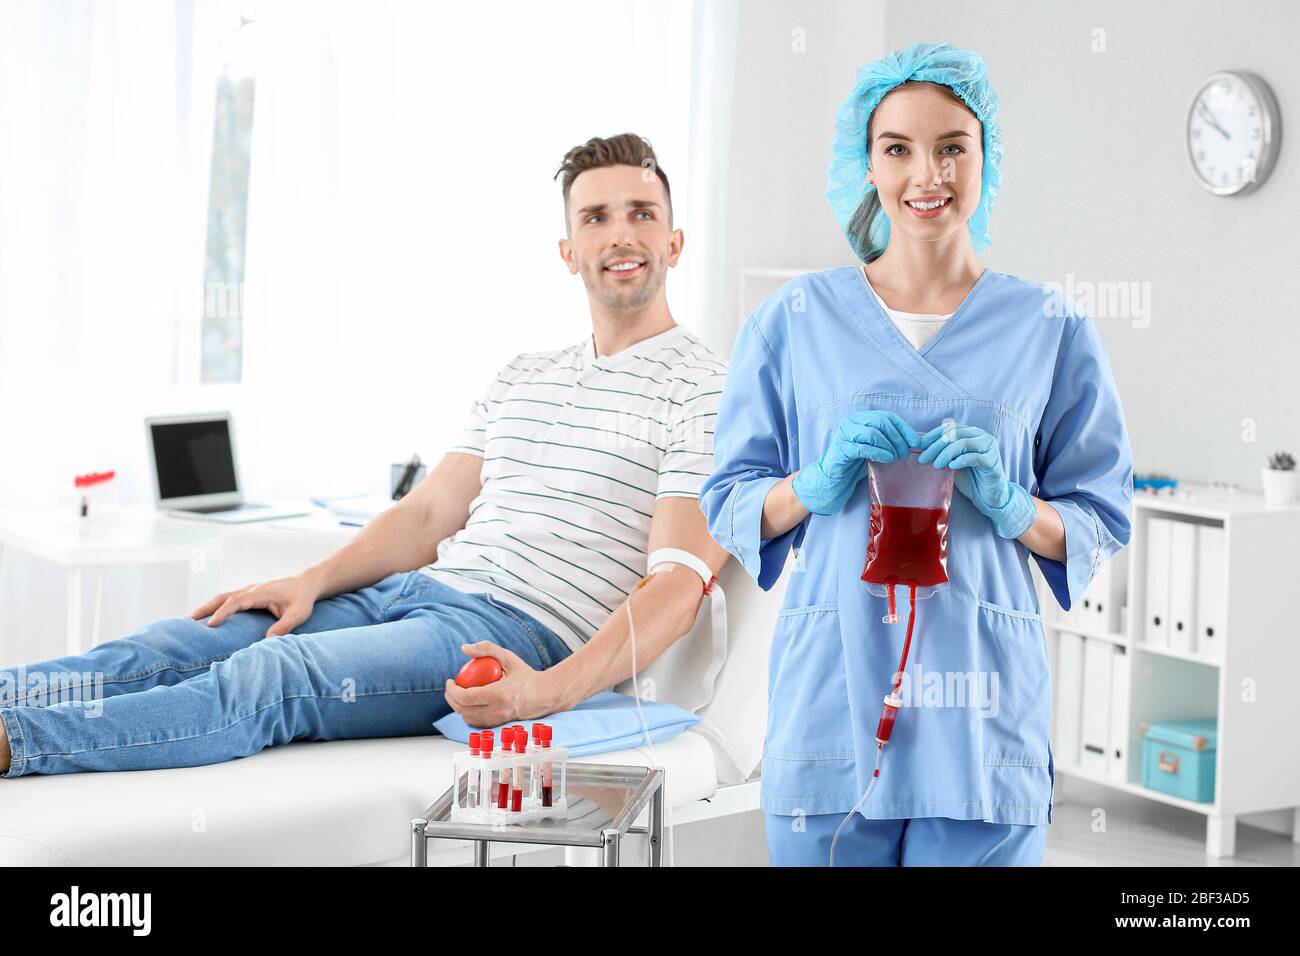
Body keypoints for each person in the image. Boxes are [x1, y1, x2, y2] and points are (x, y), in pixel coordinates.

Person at [0, 132, 729, 778]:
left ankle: (15, 741)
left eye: (642, 213)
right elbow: (426, 515)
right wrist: (311, 580)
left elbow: (675, 584)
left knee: (273, 677)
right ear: (569, 253)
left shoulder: (703, 389)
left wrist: (549, 689)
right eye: (595, 218)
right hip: (409, 595)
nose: (621, 235)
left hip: (510, 628)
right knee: (181, 640)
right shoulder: (524, 372)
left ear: (675, 241)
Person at [699, 42, 1133, 866]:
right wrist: (813, 483)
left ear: (985, 156)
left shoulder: (1051, 327)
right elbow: (729, 500)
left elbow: (1099, 518)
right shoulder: (795, 319)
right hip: (834, 704)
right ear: (866, 163)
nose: (925, 174)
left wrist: (1010, 501)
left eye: (951, 147)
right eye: (897, 148)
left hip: (981, 716)